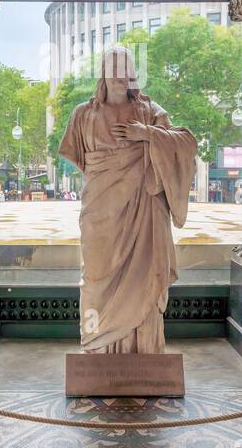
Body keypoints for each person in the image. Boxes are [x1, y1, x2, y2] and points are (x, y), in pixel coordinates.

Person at [59, 46, 197, 354]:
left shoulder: (149, 110)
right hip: (99, 211)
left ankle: (142, 348)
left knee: (144, 277)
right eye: (115, 68)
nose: (121, 75)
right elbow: (82, 161)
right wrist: (111, 178)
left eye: (127, 68)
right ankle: (97, 346)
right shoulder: (82, 114)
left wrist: (147, 134)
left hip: (144, 211)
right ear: (104, 72)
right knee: (94, 277)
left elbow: (187, 143)